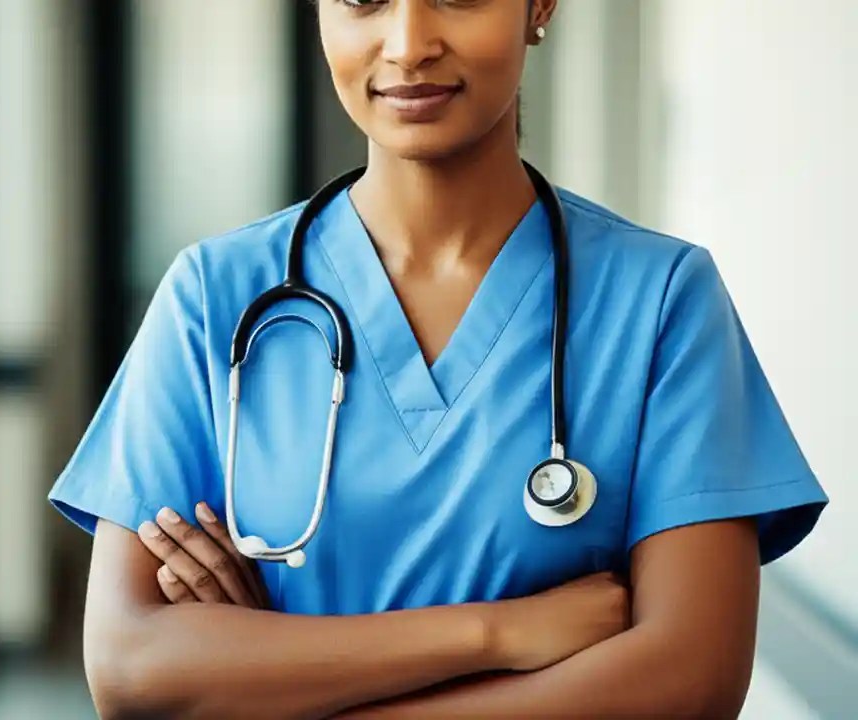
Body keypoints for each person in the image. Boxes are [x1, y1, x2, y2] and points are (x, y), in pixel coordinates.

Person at [47, 0, 828, 717]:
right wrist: (500, 633)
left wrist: (271, 682)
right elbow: (132, 666)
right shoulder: (214, 299)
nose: (409, 44)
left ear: (540, 5)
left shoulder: (660, 302)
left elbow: (690, 681)